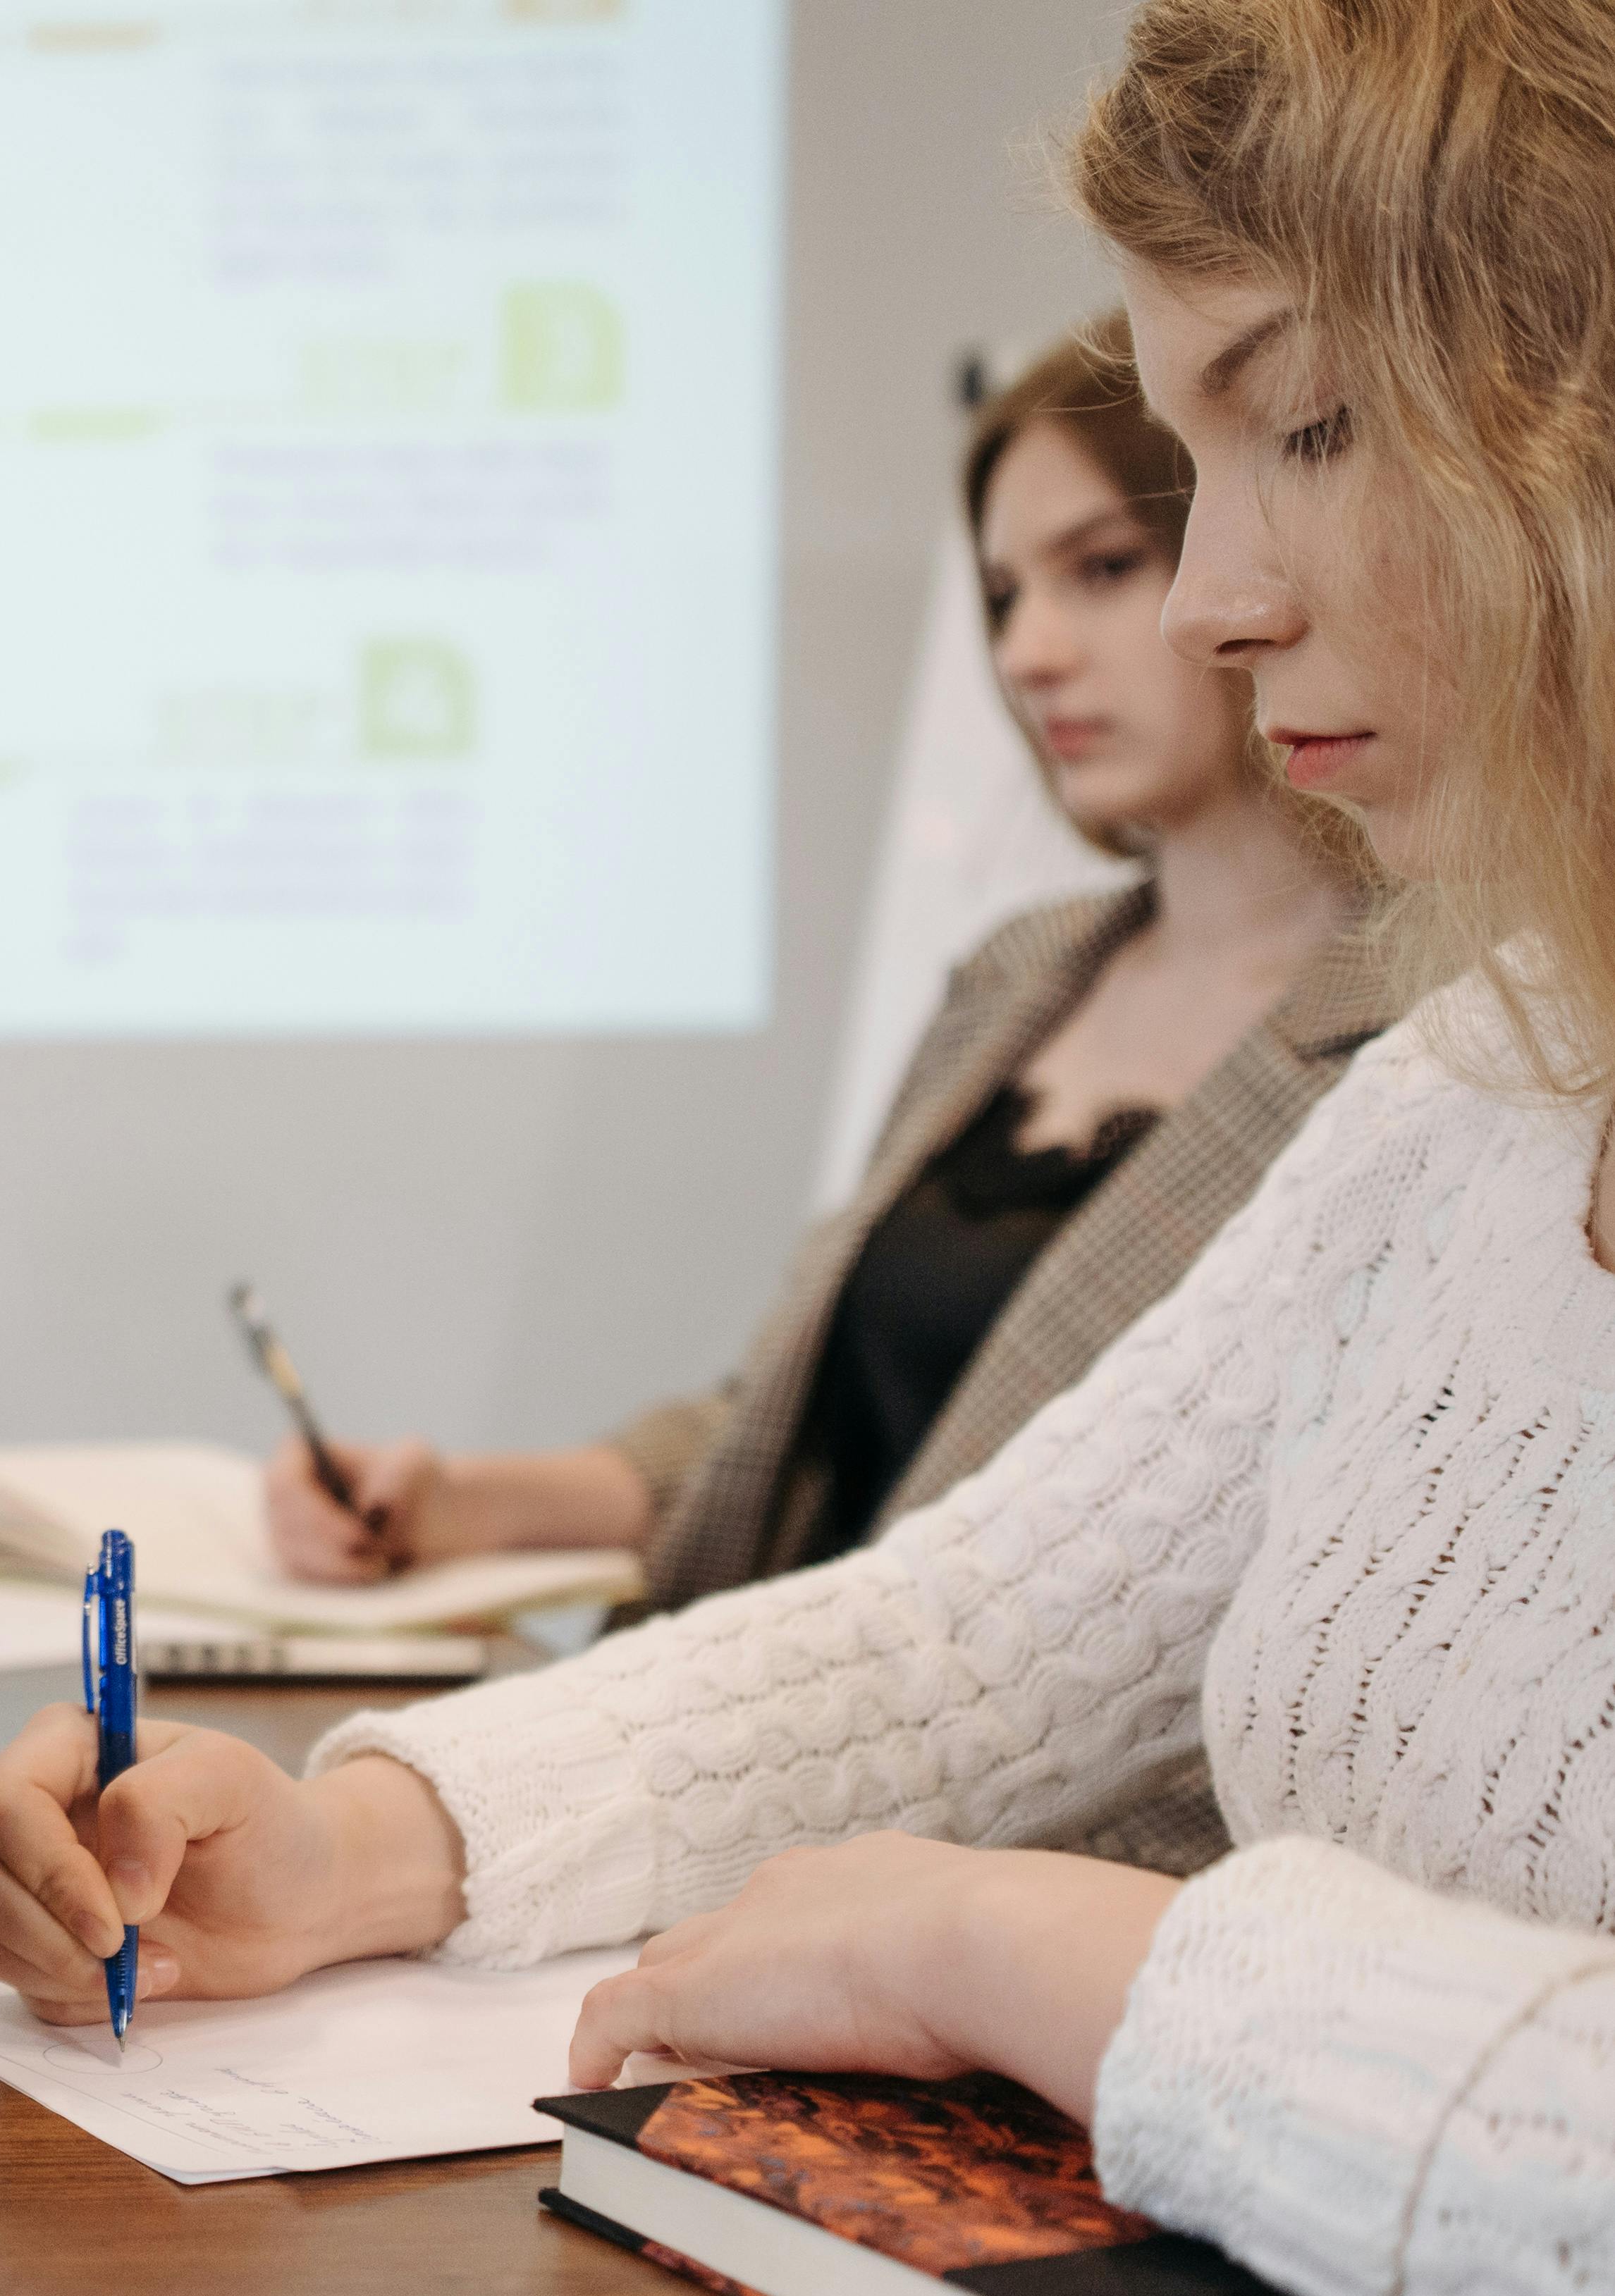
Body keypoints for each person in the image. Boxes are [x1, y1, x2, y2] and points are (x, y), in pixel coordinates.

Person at [0, 0, 1615, 2296]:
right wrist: (360, 1843)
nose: (1205, 604)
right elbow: (975, 1624)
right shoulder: (1493, 1068)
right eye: (1188, 462)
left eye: (1309, 424)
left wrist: (1045, 1955)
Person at [269, 323, 1380, 1870]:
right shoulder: (1019, 973)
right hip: (745, 1773)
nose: (1028, 649)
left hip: (1035, 1872)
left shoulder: (1427, 1036)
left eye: (1101, 568)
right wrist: (463, 1502)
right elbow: (789, 1422)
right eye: (1003, 596)